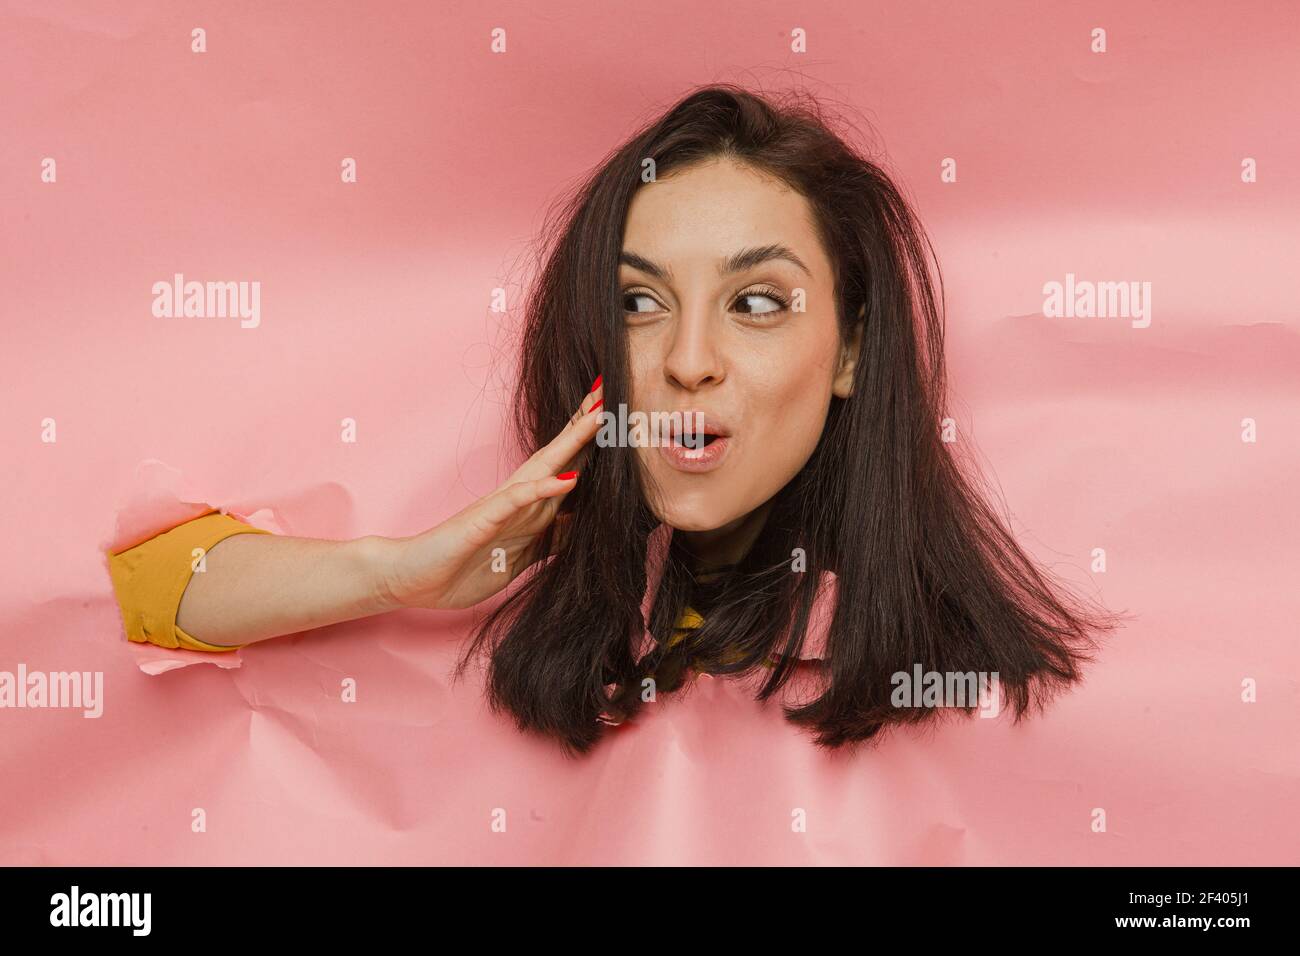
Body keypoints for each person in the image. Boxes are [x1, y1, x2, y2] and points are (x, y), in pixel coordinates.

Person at [107, 84, 1121, 754]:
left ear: (850, 348)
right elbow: (150, 586)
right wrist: (401, 569)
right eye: (639, 303)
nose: (686, 360)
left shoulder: (967, 692)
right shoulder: (549, 594)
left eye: (756, 303)